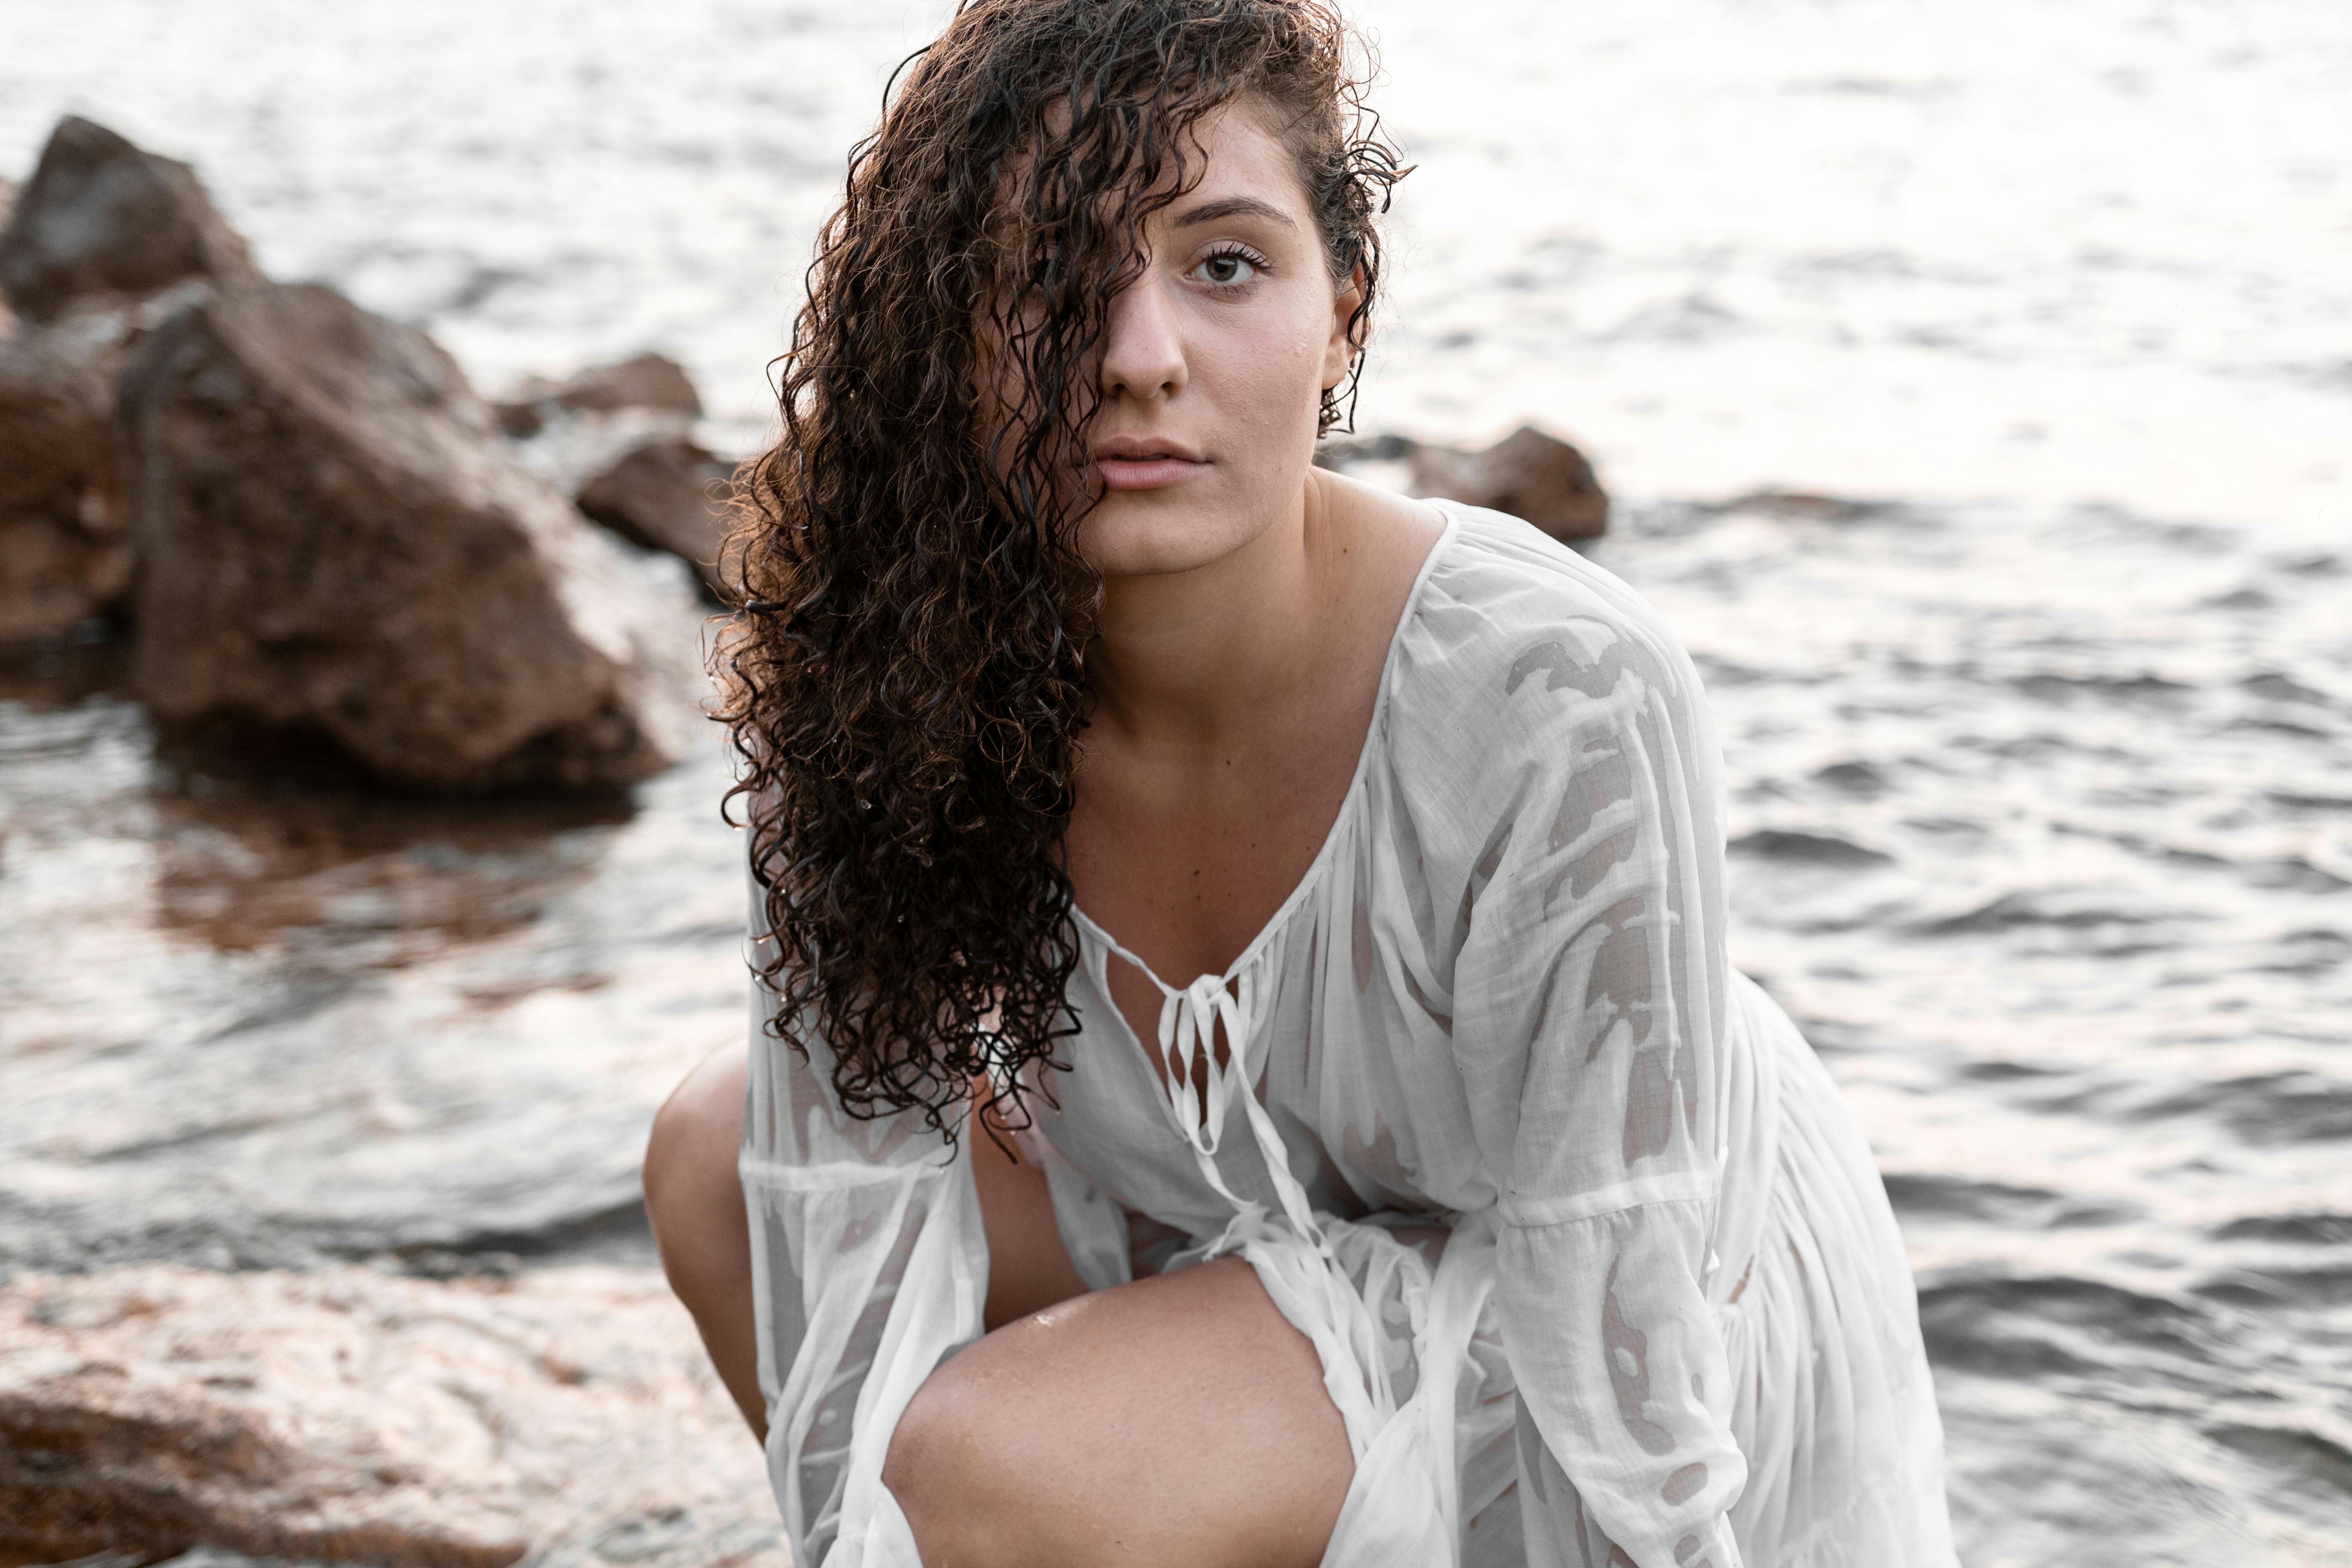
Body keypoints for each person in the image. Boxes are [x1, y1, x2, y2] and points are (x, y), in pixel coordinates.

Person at [644, 1, 1958, 1563]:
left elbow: (1624, 1373)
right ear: (948, 332)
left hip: (1614, 1276)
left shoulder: (1551, 687)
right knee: (723, 1155)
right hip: (1224, 1206)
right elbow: (835, 1255)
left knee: (996, 1459)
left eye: (1222, 265)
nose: (1137, 359)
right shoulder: (884, 671)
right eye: (1050, 272)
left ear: (1342, 314)